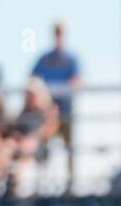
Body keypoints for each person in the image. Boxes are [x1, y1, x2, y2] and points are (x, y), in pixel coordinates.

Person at [30, 21, 81, 183]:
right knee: (43, 146)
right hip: (47, 112)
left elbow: (78, 80)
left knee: (69, 146)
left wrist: (64, 89)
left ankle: (71, 181)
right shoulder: (44, 58)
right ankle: (42, 180)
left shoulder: (71, 58)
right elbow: (33, 78)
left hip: (66, 110)